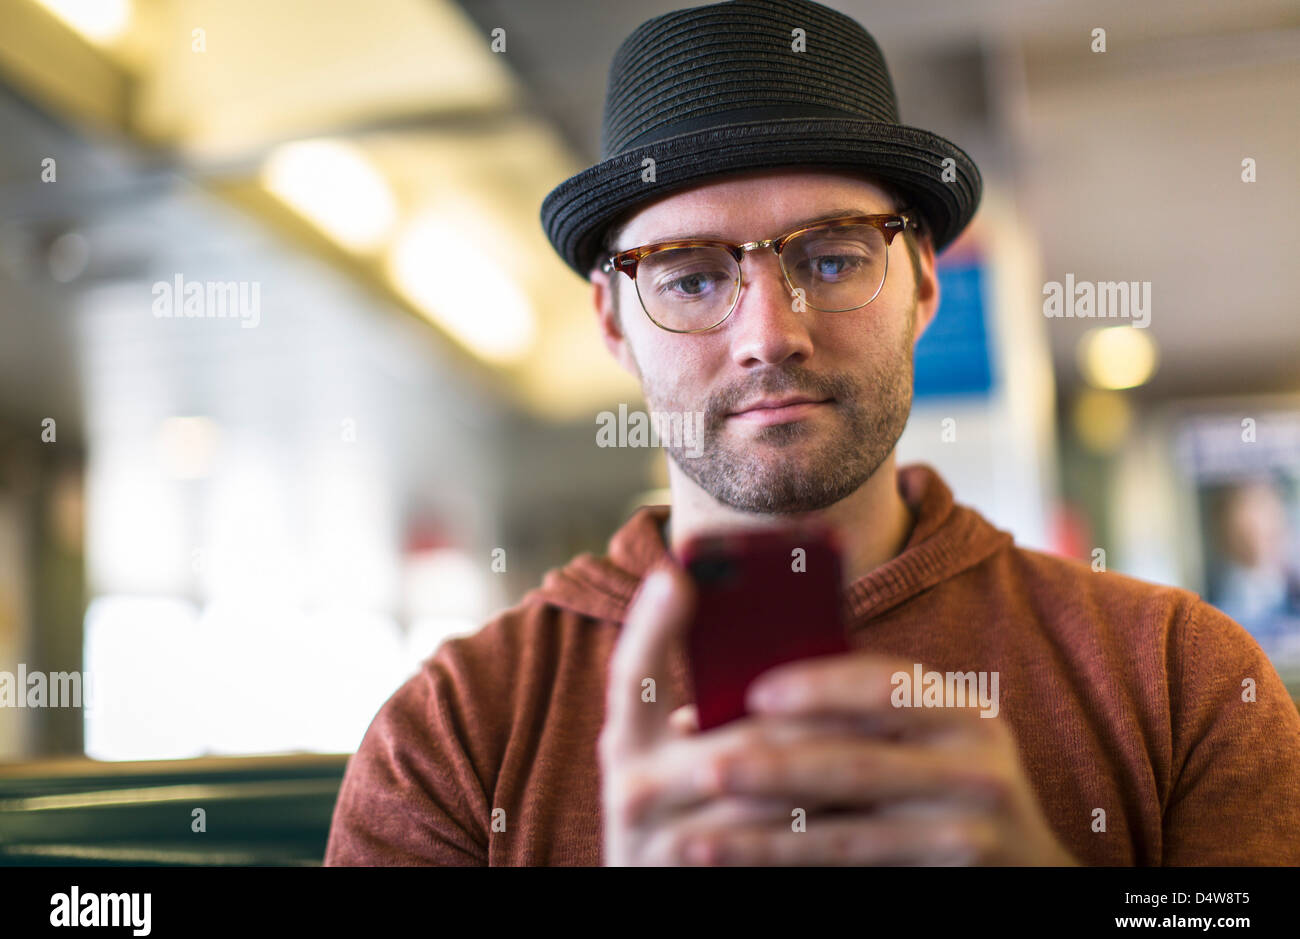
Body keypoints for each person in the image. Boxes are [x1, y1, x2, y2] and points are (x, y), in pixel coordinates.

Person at [324, 0, 1300, 865]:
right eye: (691, 277)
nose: (767, 336)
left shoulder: (1183, 680)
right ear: (613, 321)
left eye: (831, 260)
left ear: (921, 282)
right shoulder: (452, 740)